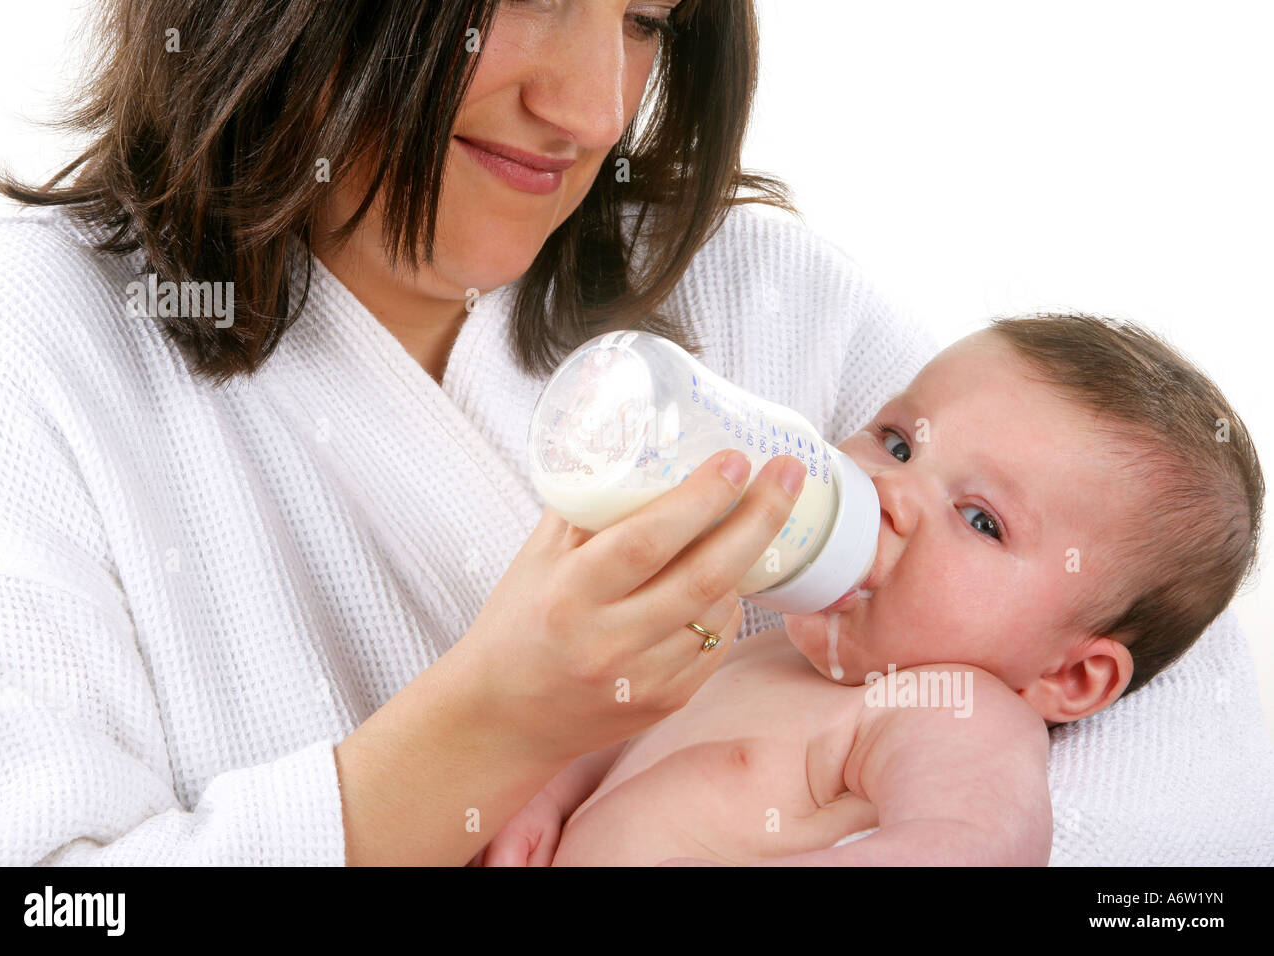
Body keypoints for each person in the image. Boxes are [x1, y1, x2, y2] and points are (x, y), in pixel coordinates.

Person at [0, 0, 936, 865]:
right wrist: (492, 729)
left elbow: (1080, 647)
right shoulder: (26, 344)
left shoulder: (765, 294)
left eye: (646, 19)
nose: (597, 111)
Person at [472, 316, 1263, 865]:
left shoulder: (952, 711)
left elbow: (973, 849)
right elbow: (616, 732)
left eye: (982, 520)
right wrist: (547, 792)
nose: (892, 491)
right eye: (897, 442)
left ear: (1070, 677)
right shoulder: (759, 641)